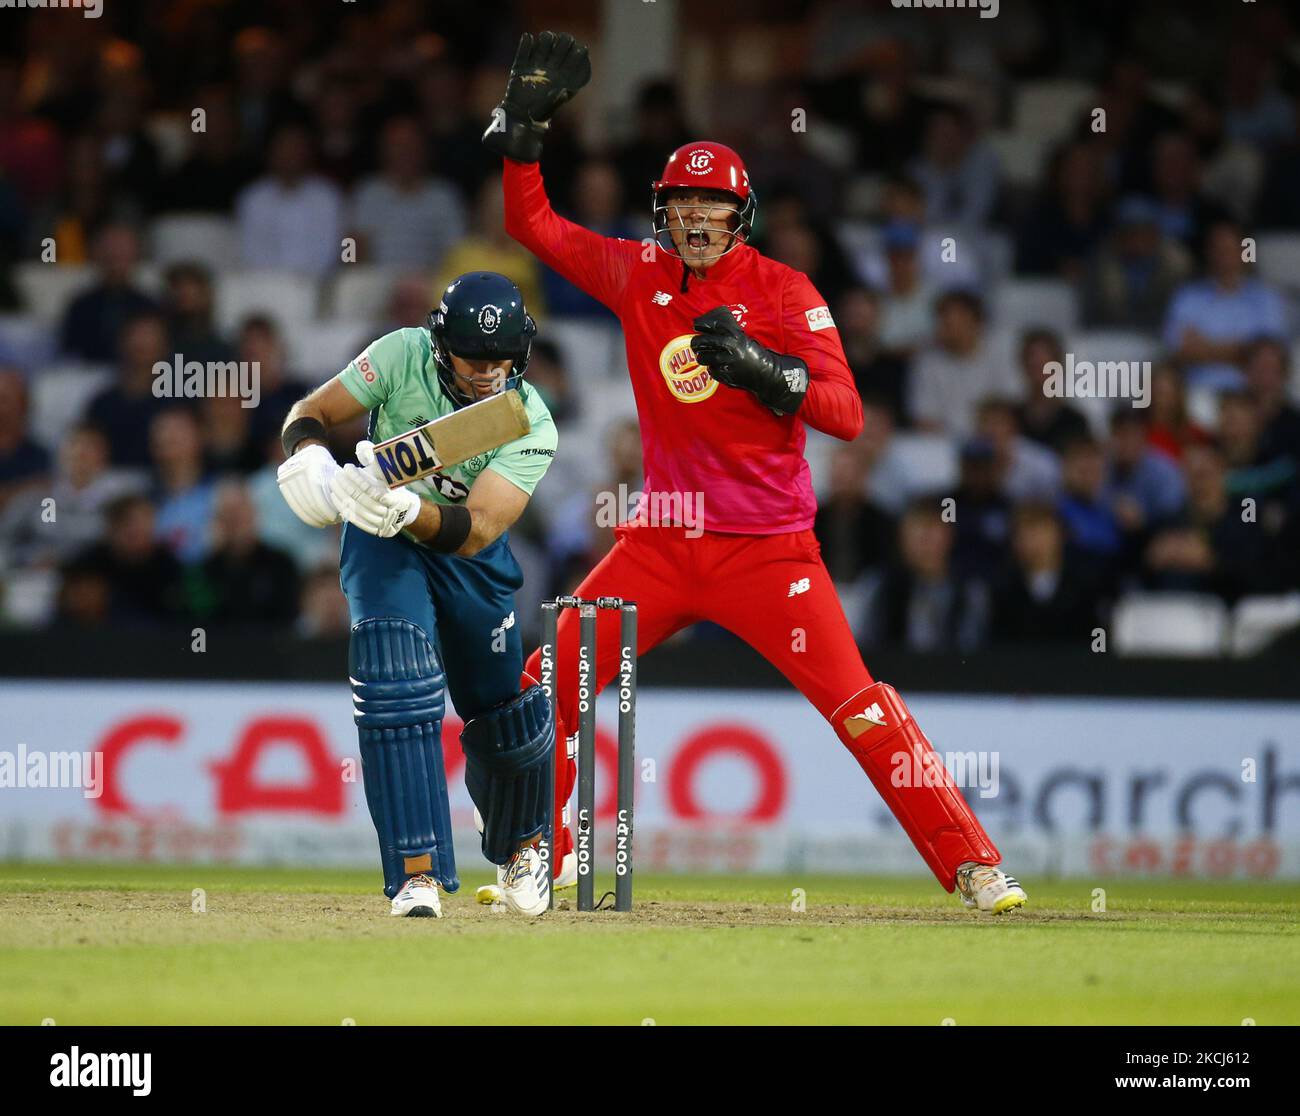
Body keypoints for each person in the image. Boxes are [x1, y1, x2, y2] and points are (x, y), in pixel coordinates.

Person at [487, 31, 1026, 915]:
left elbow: (847, 414)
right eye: (681, 203)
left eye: (712, 204)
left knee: (858, 707)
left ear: (741, 215)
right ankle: (537, 857)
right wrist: (522, 137)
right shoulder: (638, 274)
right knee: (545, 685)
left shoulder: (784, 290)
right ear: (662, 210)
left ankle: (974, 864)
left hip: (769, 552)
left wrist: (767, 373)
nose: (695, 218)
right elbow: (529, 225)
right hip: (661, 542)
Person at [276, 271, 558, 918]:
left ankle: (524, 851)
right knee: (394, 677)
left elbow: (477, 529)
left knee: (502, 710)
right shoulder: (401, 353)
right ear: (439, 345)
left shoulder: (529, 421)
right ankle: (417, 874)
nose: (488, 374)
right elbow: (308, 413)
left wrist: (409, 510)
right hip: (383, 540)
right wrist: (311, 457)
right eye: (472, 358)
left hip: (466, 555)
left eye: (501, 359)